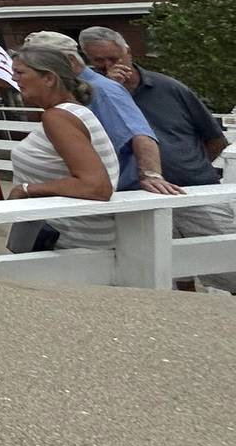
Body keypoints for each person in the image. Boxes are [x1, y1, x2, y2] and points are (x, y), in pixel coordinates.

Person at [80, 26, 236, 292]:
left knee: (227, 262)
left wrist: (190, 168)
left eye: (114, 59)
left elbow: (214, 137)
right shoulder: (90, 96)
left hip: (193, 190)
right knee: (162, 272)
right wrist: (112, 92)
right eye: (99, 62)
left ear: (128, 51)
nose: (108, 66)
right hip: (136, 197)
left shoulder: (170, 88)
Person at [22, 30, 179, 195]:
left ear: (70, 61)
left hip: (119, 194)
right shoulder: (78, 91)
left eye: (39, 64)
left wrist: (151, 176)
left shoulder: (104, 90)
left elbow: (140, 134)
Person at [6, 45, 118, 249]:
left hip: (69, 244)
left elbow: (96, 187)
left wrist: (26, 189)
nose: (14, 79)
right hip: (73, 238)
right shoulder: (73, 113)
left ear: (49, 78)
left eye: (20, 72)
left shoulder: (57, 117)